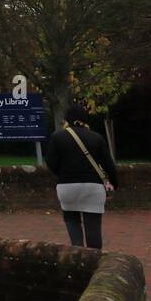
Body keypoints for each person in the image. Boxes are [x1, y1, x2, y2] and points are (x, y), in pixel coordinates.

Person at [44, 107, 117, 249]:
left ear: (66, 120)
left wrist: (63, 174)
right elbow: (109, 165)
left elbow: (50, 163)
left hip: (67, 186)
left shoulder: (58, 137)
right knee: (93, 229)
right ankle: (94, 259)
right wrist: (114, 184)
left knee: (71, 220)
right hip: (93, 187)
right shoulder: (96, 138)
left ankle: (78, 254)